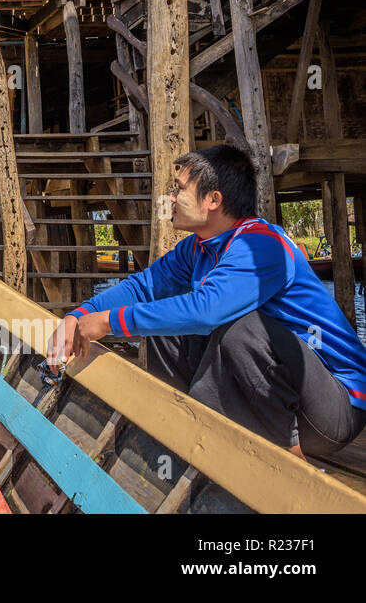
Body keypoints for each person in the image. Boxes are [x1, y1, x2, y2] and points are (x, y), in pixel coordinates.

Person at [50, 144, 366, 459]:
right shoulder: (197, 248)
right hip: (278, 395)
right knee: (163, 316)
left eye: (179, 189)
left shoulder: (261, 246)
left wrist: (109, 321)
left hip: (334, 409)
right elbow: (145, 286)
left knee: (239, 326)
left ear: (213, 200)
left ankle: (287, 455)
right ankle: (187, 425)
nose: (170, 198)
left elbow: (207, 311)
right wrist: (79, 315)